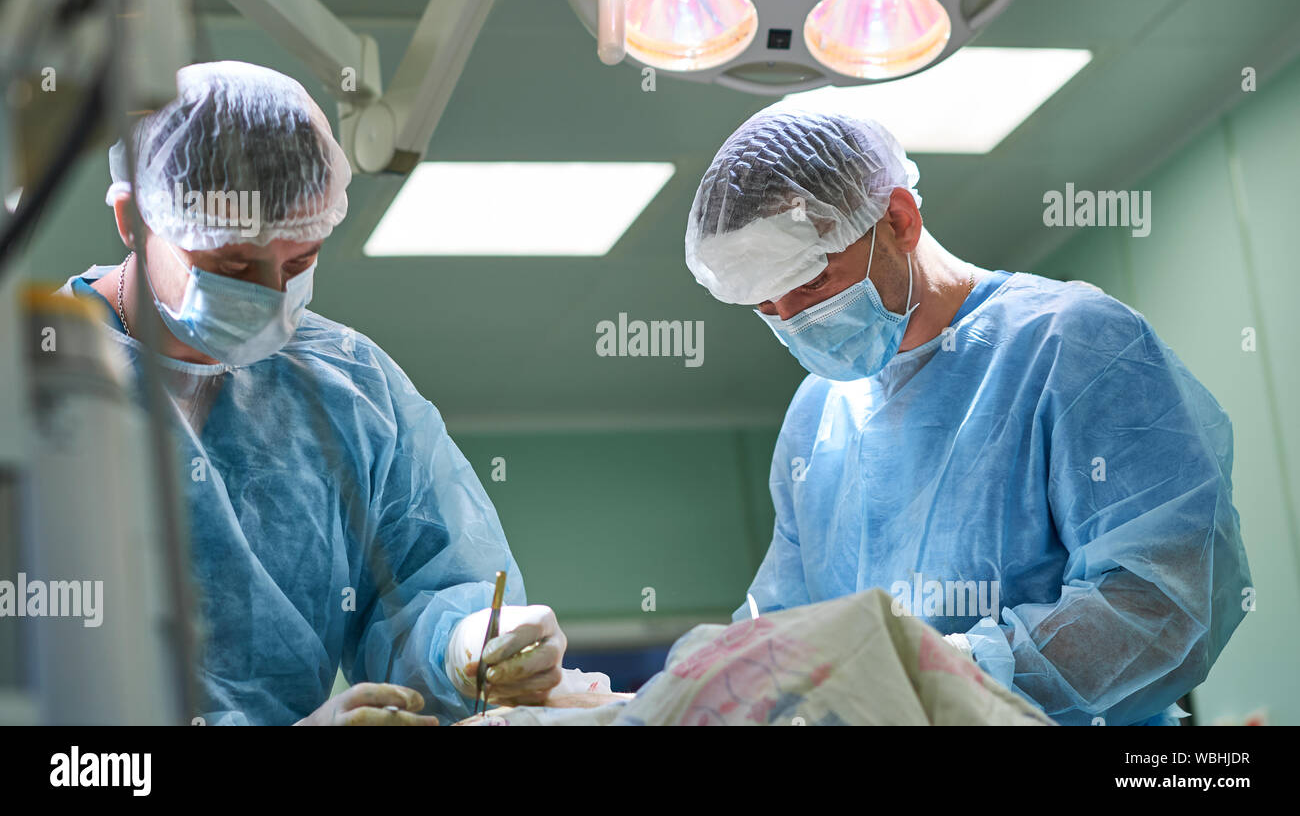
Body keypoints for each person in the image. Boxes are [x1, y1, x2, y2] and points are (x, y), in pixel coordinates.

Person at [683, 109, 1252, 726]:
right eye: (766, 304)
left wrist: (935, 685)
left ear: (898, 221)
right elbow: (785, 634)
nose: (793, 319)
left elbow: (1163, 604)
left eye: (813, 283)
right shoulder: (818, 414)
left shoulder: (1071, 345)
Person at [60, 61, 570, 725]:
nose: (273, 298)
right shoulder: (32, 387)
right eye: (234, 267)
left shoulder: (352, 389)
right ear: (134, 220)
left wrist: (465, 646)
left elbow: (420, 588)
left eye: (299, 262)